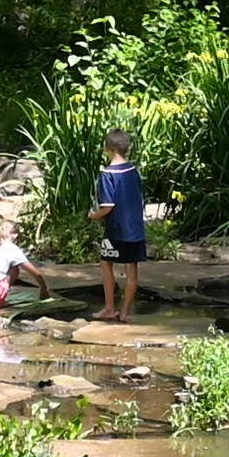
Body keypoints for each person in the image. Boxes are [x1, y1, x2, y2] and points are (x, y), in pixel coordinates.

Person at [90, 128, 148, 318]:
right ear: (127, 149)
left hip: (116, 229)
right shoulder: (134, 171)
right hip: (135, 228)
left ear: (108, 148)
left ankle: (109, 307)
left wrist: (94, 215)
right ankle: (124, 312)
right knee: (131, 269)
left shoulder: (107, 175)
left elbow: (107, 206)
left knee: (106, 262)